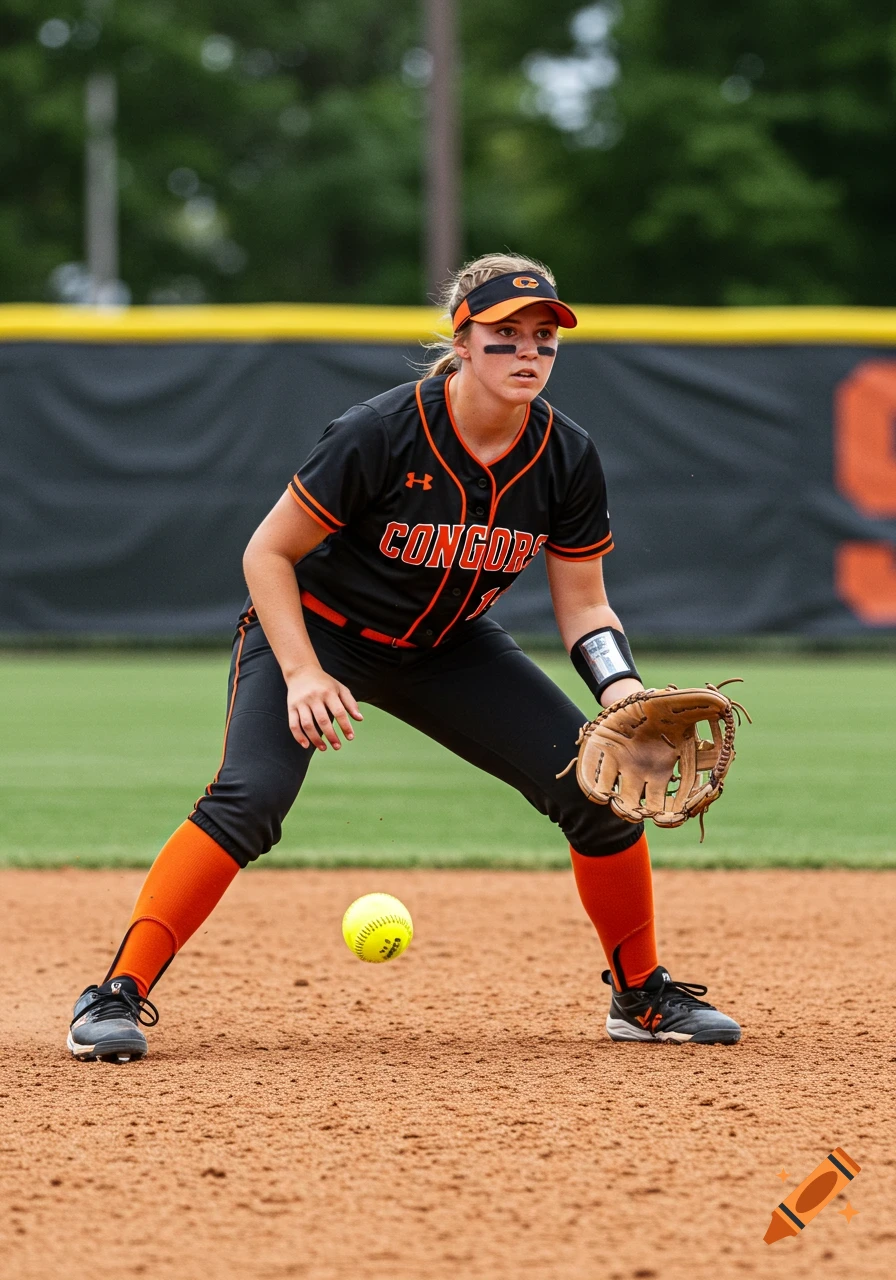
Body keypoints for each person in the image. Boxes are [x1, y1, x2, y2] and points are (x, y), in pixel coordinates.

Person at [67, 253, 740, 1062]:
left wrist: (622, 690)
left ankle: (640, 997)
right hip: (320, 631)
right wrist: (305, 672)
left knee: (596, 796)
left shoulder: (565, 455)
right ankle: (114, 995)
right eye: (504, 337)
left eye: (543, 339)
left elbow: (586, 602)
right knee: (249, 800)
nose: (527, 353)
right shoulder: (380, 432)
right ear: (461, 341)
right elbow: (267, 554)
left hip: (449, 648)